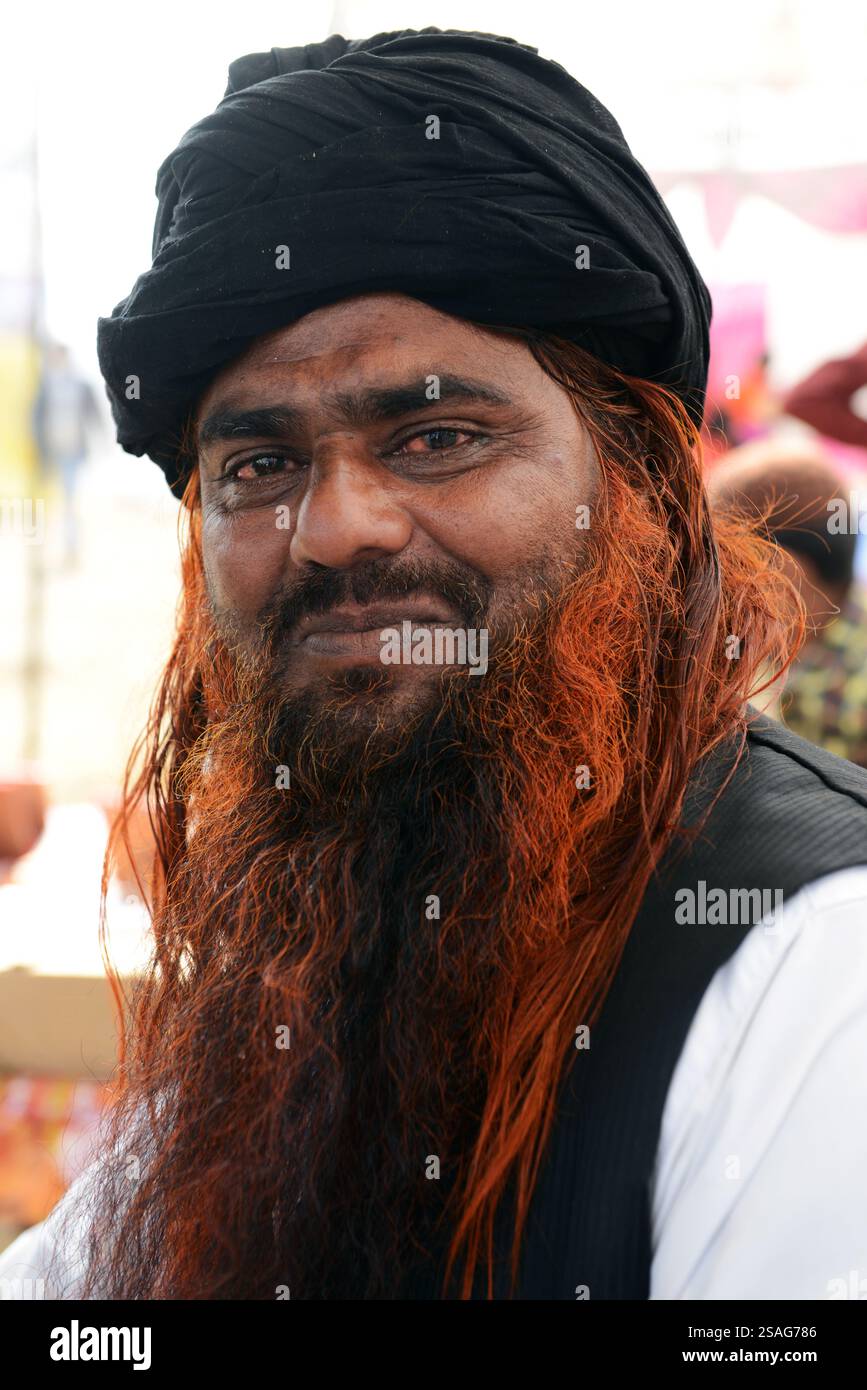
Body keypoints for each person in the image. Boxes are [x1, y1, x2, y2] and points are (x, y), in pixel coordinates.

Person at [2, 27, 867, 1303]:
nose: (339, 525)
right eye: (258, 466)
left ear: (640, 474)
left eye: (439, 433)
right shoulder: (311, 933)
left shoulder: (814, 969)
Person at [708, 442, 867, 767]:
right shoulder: (748, 645)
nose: (722, 587)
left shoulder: (855, 689)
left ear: (788, 566)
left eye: (735, 564)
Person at [31, 343, 100, 566]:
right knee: (45, 503)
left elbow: (94, 415)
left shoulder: (79, 385)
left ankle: (70, 549)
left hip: (72, 453)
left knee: (68, 501)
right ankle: (42, 550)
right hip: (48, 455)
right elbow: (36, 418)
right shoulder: (45, 386)